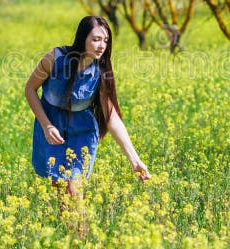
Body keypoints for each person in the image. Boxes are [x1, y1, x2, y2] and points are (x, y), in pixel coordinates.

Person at [25, 16, 151, 197]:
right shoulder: (55, 58)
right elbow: (30, 89)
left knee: (73, 189)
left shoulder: (100, 71)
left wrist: (135, 160)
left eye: (105, 41)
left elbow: (111, 116)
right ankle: (74, 226)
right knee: (61, 190)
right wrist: (47, 125)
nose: (102, 45)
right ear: (83, 38)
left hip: (81, 131)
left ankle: (81, 226)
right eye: (96, 39)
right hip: (52, 128)